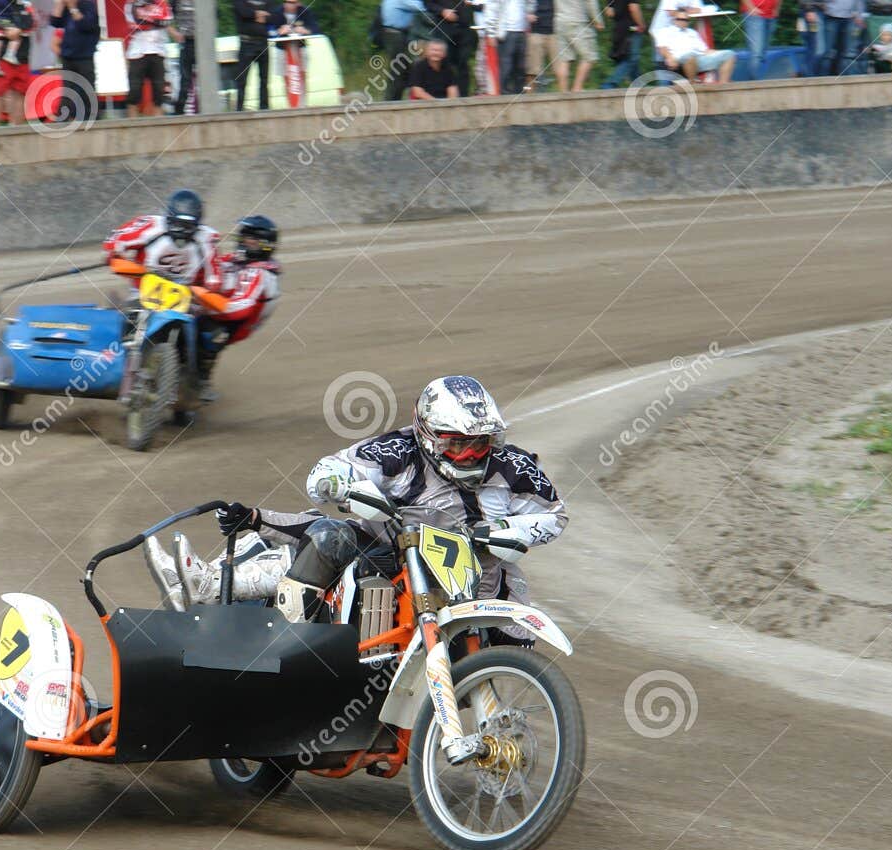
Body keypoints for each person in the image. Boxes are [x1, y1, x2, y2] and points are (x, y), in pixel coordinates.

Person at [162, 377, 568, 634]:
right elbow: (324, 473)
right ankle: (230, 594)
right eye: (456, 443)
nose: (468, 454)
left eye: (479, 443)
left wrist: (506, 533)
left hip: (482, 579)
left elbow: (555, 516)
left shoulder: (514, 466)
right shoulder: (397, 450)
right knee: (329, 536)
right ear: (427, 432)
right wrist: (337, 483)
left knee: (519, 641)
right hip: (397, 558)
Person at [187, 213, 280, 401]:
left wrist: (200, 302)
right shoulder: (237, 260)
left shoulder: (261, 273)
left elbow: (239, 309)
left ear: (266, 244)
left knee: (211, 334)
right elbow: (210, 268)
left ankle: (201, 381)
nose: (244, 242)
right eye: (244, 237)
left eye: (251, 239)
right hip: (221, 307)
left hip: (238, 322)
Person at [102, 187, 220, 288]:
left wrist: (212, 285)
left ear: (197, 224)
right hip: (144, 291)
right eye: (178, 225)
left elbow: (214, 277)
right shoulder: (150, 226)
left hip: (186, 296)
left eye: (188, 226)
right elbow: (115, 240)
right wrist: (113, 253)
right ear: (169, 218)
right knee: (132, 310)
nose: (182, 231)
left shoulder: (207, 238)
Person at [654, 4, 735, 78]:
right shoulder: (665, 31)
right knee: (690, 56)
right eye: (680, 19)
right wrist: (669, 57)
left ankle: (722, 87)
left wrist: (717, 53)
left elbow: (704, 50)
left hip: (699, 59)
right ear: (674, 20)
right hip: (679, 60)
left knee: (729, 54)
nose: (682, 21)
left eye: (685, 20)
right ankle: (692, 84)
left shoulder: (692, 32)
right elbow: (662, 48)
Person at [55, 0, 99, 123]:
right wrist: (59, 6)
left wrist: (73, 8)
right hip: (68, 55)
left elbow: (86, 25)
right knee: (68, 87)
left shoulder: (88, 5)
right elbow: (56, 22)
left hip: (84, 55)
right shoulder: (65, 7)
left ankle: (90, 117)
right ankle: (63, 117)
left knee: (87, 87)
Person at [124, 0, 170, 116]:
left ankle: (159, 125)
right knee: (134, 91)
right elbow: (135, 23)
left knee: (159, 91)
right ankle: (132, 126)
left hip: (158, 50)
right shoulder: (131, 3)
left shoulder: (161, 2)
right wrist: (155, 20)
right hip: (137, 52)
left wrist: (149, 19)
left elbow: (166, 21)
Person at [378, 0, 424, 100]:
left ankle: (406, 97)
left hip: (395, 34)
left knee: (404, 70)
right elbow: (420, 7)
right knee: (399, 71)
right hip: (396, 35)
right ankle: (391, 103)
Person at [484, 0, 532, 95]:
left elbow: (530, 3)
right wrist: (491, 32)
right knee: (506, 67)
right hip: (505, 32)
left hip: (521, 31)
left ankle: (520, 94)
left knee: (521, 67)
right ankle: (504, 95)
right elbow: (491, 9)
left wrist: (530, 13)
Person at [232, 0, 272, 110]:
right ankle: (239, 109)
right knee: (242, 79)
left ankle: (264, 107)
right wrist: (258, 14)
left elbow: (272, 16)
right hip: (246, 42)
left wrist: (253, 14)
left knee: (264, 78)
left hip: (263, 42)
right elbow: (243, 13)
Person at [555, 0, 602, 90]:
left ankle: (563, 94)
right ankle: (577, 88)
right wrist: (597, 20)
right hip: (578, 20)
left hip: (560, 22)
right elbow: (591, 1)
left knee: (564, 59)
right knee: (590, 56)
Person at [602, 0, 646, 86]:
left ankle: (639, 85)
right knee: (632, 58)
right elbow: (633, 8)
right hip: (633, 28)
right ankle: (609, 84)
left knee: (629, 58)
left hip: (618, 29)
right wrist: (641, 25)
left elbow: (609, 13)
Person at [820, 0, 863, 74]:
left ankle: (845, 78)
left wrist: (860, 15)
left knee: (848, 52)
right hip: (831, 16)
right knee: (828, 53)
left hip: (850, 18)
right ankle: (823, 79)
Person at [740, 0, 779, 78]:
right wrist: (751, 8)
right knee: (756, 53)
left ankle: (759, 82)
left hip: (770, 14)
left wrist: (777, 8)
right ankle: (754, 85)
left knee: (763, 53)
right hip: (754, 15)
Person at [168, 0, 194, 113]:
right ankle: (180, 111)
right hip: (186, 41)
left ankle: (204, 110)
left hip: (204, 42)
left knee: (206, 77)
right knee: (185, 79)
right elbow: (165, 18)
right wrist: (174, 33)